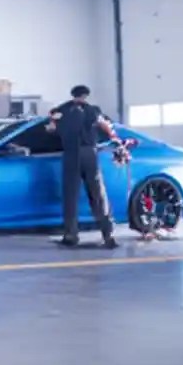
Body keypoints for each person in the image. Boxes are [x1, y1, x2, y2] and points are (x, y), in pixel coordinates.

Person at [46, 85, 119, 249]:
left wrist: (54, 127)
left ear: (72, 95)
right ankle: (108, 235)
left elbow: (51, 127)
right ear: (86, 95)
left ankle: (71, 235)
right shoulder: (93, 111)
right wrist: (115, 140)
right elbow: (107, 128)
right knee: (98, 195)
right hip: (90, 155)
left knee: (71, 196)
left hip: (72, 154)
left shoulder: (60, 111)